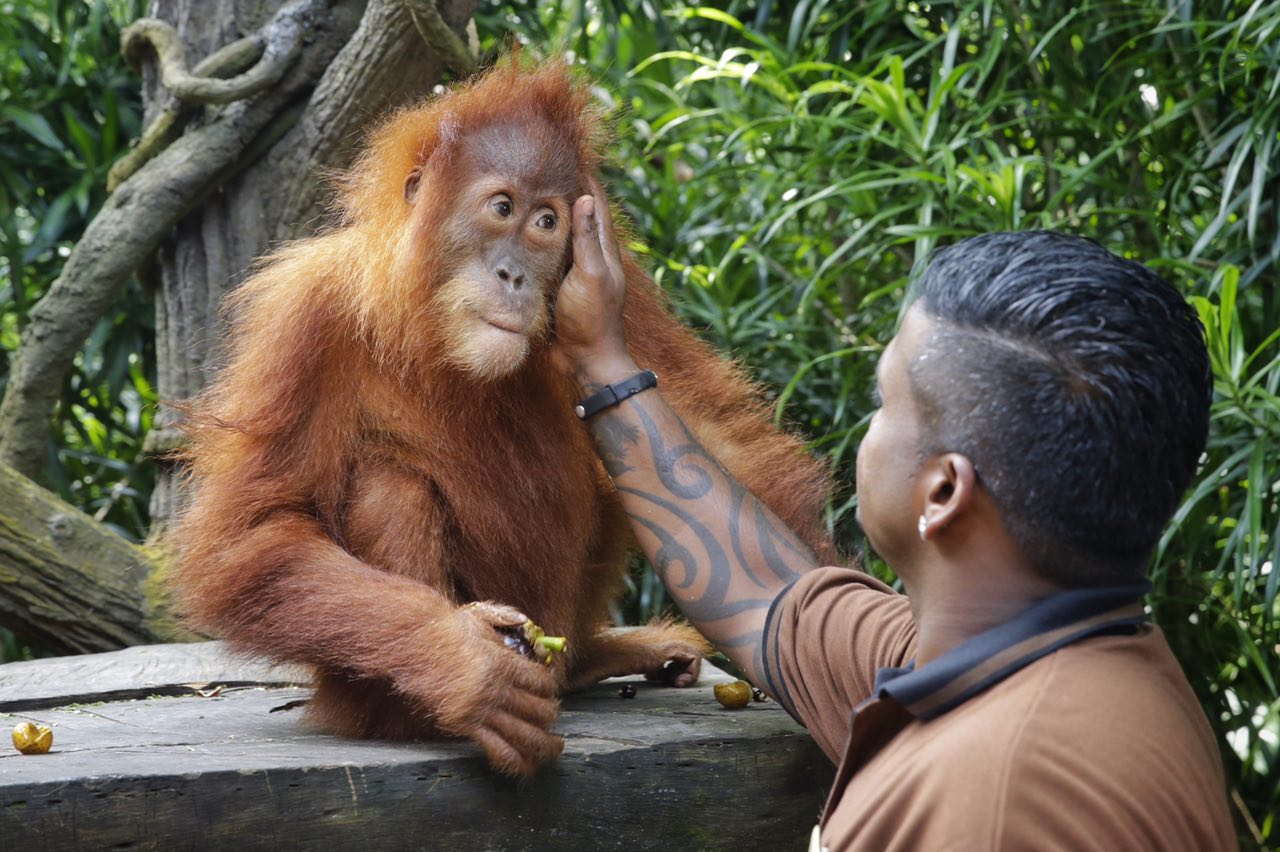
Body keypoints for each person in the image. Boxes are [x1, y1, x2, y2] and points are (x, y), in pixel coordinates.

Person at [551, 186, 1238, 850]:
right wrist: (599, 357)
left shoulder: (1000, 804)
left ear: (942, 493)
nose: (868, 430)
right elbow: (764, 595)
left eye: (885, 402)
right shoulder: (1036, 657)